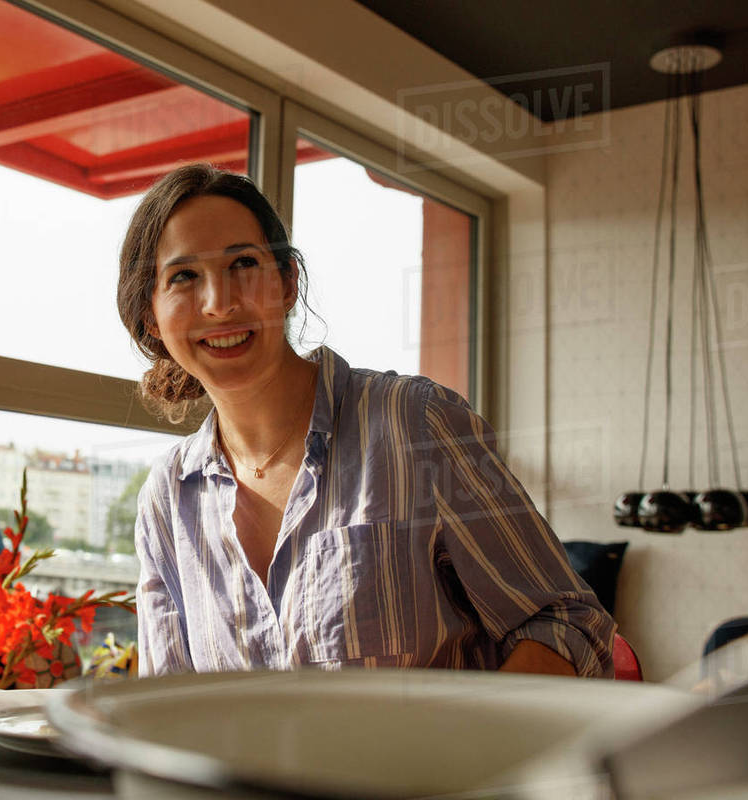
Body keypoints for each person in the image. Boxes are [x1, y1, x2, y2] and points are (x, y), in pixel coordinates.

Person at [117, 163, 615, 678]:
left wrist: (470, 753)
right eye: (184, 276)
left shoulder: (416, 425)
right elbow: (166, 704)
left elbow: (565, 621)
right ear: (152, 314)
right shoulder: (167, 500)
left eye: (243, 263)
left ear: (287, 283)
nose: (220, 303)